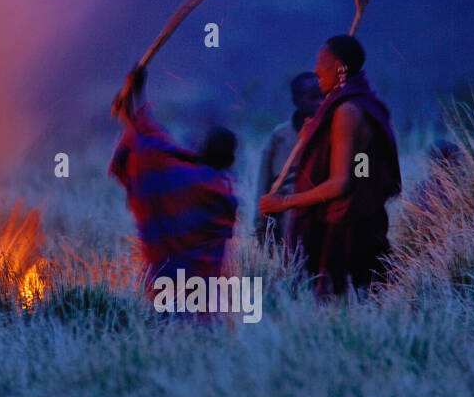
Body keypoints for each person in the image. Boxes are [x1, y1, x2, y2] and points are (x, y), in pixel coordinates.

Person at [258, 35, 401, 297]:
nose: (315, 69)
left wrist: (284, 202)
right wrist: (321, 137)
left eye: (321, 62)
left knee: (341, 303)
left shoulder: (347, 110)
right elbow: (362, 167)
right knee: (364, 301)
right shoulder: (357, 103)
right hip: (364, 221)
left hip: (345, 229)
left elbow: (340, 184)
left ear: (340, 68)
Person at [108, 67, 238, 296]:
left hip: (164, 289)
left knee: (166, 327)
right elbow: (156, 144)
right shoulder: (224, 194)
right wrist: (135, 106)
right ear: (231, 160)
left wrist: (135, 104)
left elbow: (151, 146)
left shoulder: (179, 175)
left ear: (199, 149)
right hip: (204, 298)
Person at [254, 72, 322, 244]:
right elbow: (265, 182)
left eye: (323, 96)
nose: (320, 102)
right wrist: (261, 225)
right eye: (314, 97)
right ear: (297, 101)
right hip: (285, 224)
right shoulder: (280, 136)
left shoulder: (332, 133)